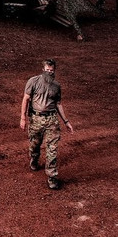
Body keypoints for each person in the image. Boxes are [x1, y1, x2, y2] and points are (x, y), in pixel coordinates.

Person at [19, 58, 74, 189]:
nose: (49, 72)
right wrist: (23, 117)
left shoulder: (56, 86)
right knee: (34, 144)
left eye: (52, 70)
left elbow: (58, 104)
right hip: (36, 119)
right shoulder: (33, 81)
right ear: (43, 70)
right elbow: (26, 99)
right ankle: (34, 159)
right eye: (47, 70)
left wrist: (66, 121)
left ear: (54, 71)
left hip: (51, 120)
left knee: (52, 149)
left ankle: (52, 177)